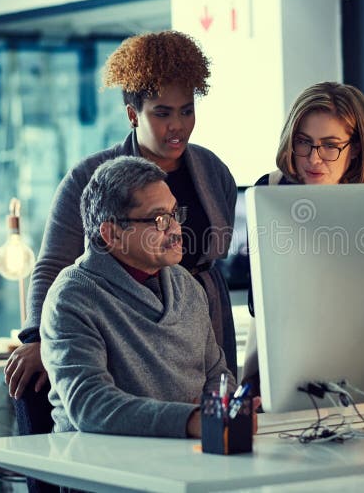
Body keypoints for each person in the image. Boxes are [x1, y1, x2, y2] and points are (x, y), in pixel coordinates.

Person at [5, 30, 238, 402]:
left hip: (199, 319)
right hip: (124, 325)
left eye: (186, 110)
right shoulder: (89, 177)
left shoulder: (214, 171)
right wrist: (38, 338)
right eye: (162, 113)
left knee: (215, 413)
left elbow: (216, 252)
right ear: (133, 114)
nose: (178, 125)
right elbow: (52, 264)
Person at [42, 156, 233, 436]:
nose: (176, 229)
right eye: (159, 219)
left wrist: (223, 410)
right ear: (112, 234)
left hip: (186, 451)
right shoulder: (72, 298)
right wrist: (190, 420)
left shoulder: (188, 285)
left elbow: (217, 374)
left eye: (175, 214)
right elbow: (90, 406)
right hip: (100, 458)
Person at [242, 81, 364, 397]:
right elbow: (259, 303)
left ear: (355, 147)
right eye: (304, 142)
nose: (314, 159)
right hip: (291, 354)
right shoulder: (270, 192)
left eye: (330, 145)